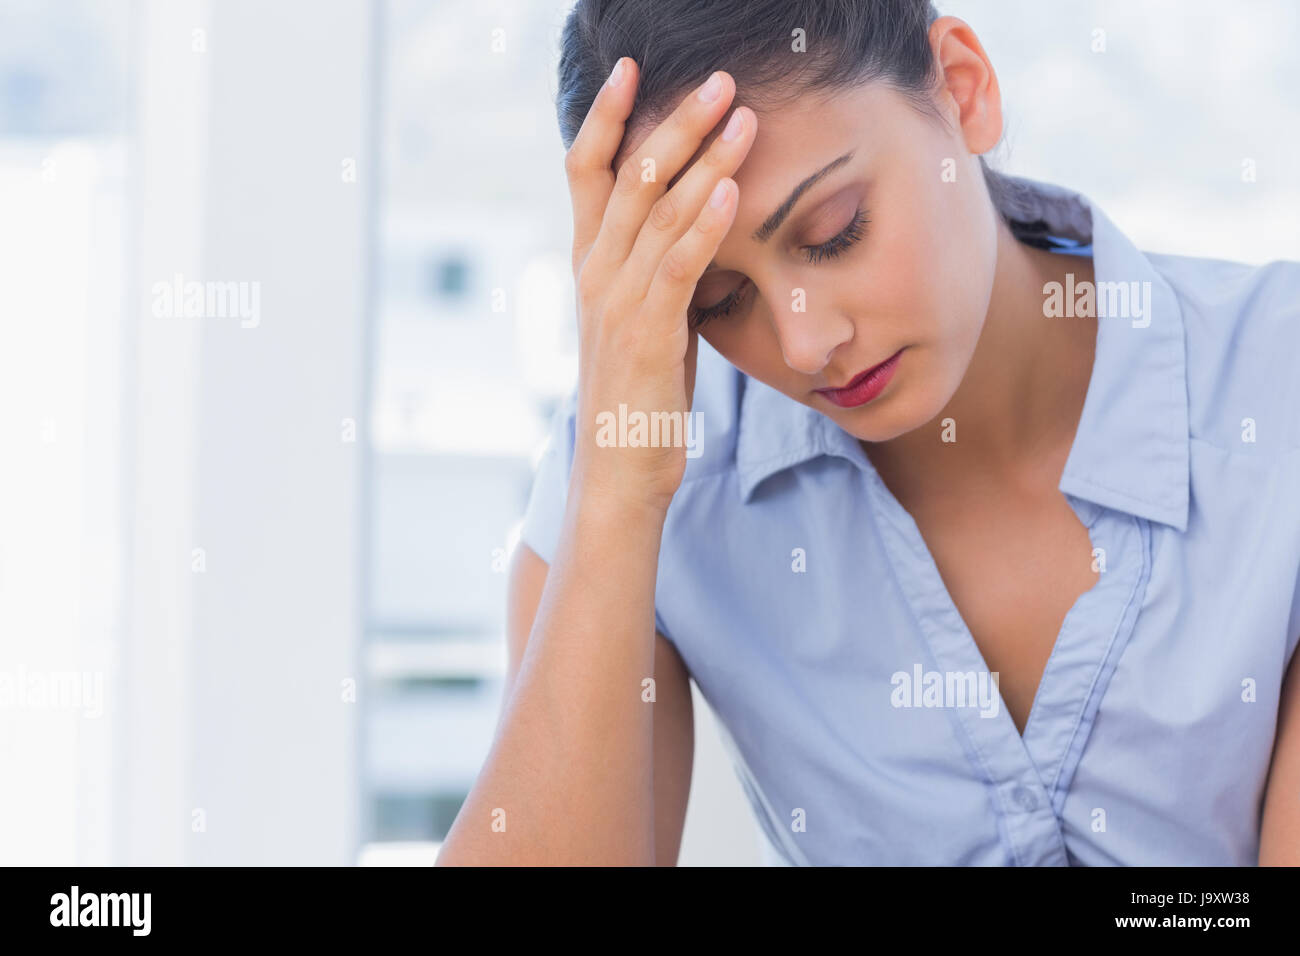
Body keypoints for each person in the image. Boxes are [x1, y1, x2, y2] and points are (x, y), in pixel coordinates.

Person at [437, 0, 1300, 865]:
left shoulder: (1274, 390)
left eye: (833, 231)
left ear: (963, 90)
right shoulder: (642, 466)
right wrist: (619, 494)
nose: (805, 342)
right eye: (719, 303)